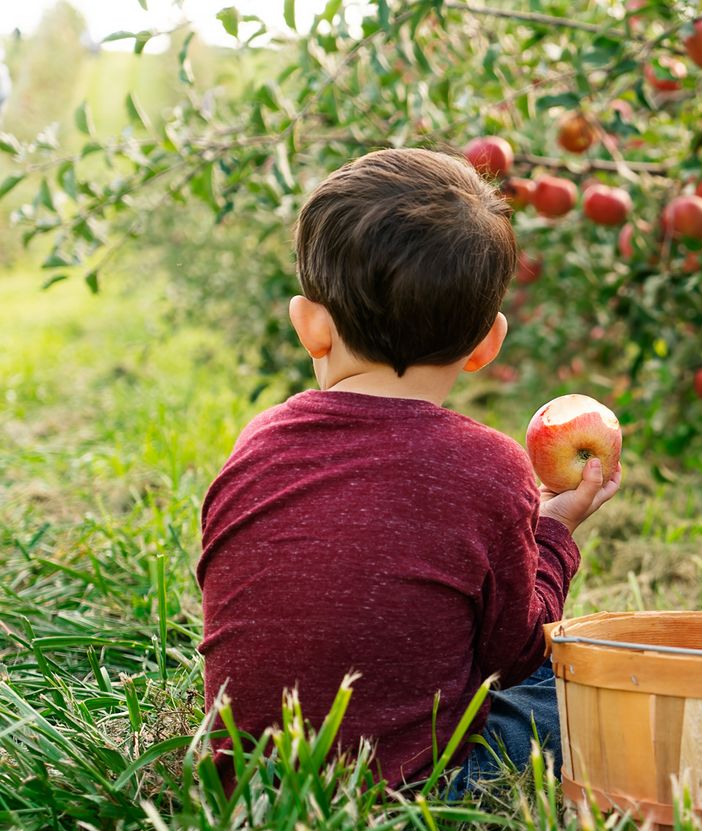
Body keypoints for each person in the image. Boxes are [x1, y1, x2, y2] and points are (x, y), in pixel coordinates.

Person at [197, 147, 619, 795]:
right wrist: (555, 533)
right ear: (488, 343)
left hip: (249, 784)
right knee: (584, 686)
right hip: (420, 792)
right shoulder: (490, 467)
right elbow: (513, 655)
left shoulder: (258, 442)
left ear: (310, 327)